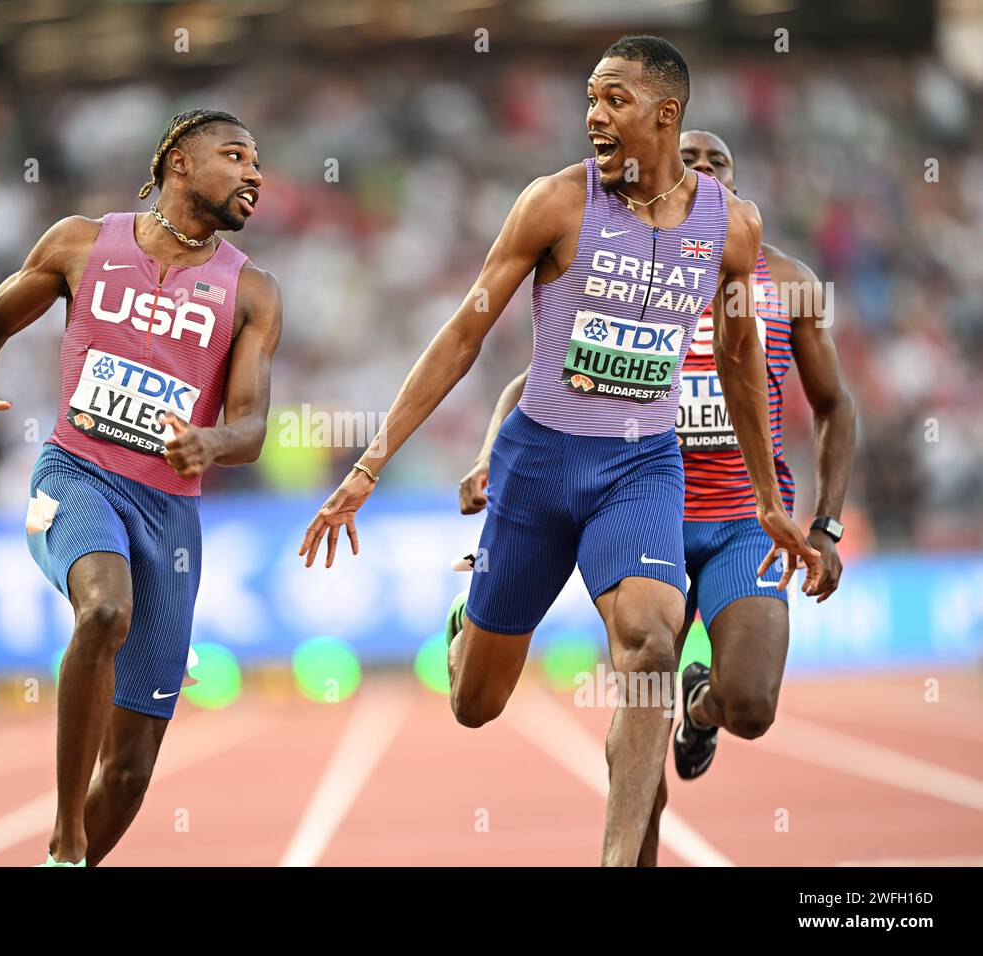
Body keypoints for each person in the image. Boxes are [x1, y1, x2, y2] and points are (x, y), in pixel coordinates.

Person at [298, 37, 821, 866]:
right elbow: (465, 335)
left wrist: (767, 498)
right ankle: (470, 621)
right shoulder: (554, 202)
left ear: (665, 114)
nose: (593, 115)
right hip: (540, 465)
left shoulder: (732, 227)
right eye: (590, 98)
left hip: (642, 466)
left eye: (614, 99)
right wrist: (369, 465)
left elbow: (738, 362)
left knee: (651, 641)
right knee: (476, 703)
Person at [457, 128, 855, 865]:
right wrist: (489, 458)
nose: (700, 170)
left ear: (736, 185)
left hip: (741, 521)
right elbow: (537, 381)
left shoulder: (788, 283)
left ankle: (701, 709)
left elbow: (836, 406)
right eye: (689, 159)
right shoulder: (639, 269)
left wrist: (825, 522)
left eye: (718, 162)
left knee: (752, 706)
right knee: (643, 681)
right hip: (647, 504)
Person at [0, 109, 281, 866]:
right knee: (102, 608)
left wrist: (211, 440)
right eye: (236, 156)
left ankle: (66, 863)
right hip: (76, 475)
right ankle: (65, 826)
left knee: (129, 773)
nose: (255, 173)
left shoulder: (252, 291)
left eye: (259, 162)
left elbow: (252, 429)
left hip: (170, 518)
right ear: (179, 164)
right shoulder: (82, 242)